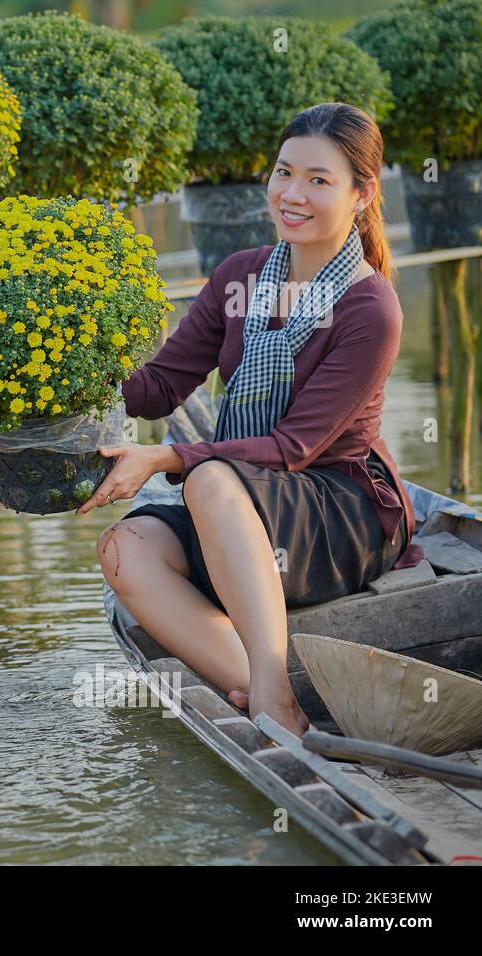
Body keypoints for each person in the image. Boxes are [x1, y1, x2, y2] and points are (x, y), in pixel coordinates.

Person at [79, 103, 425, 737]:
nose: (292, 194)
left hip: (337, 510)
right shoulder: (240, 275)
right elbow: (159, 387)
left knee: (207, 479)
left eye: (319, 180)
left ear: (362, 193)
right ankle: (263, 686)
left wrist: (163, 459)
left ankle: (271, 694)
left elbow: (294, 447)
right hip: (245, 509)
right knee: (124, 549)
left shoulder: (370, 307)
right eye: (284, 172)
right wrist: (67, 371)